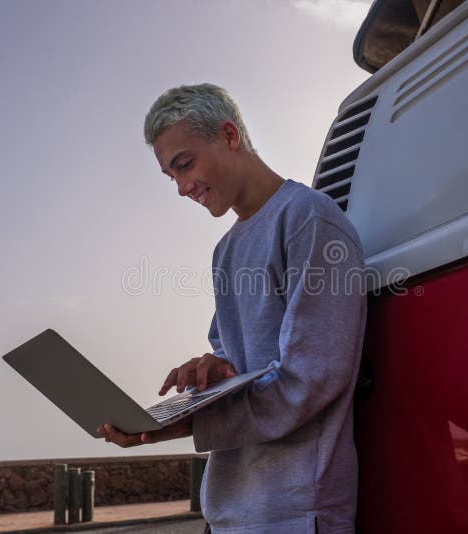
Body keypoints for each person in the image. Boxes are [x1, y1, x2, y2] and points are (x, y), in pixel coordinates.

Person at [97, 83, 367, 534]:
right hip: (227, 511)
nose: (182, 188)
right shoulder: (225, 251)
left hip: (296, 511)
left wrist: (178, 426)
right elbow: (239, 367)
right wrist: (212, 373)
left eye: (185, 165)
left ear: (228, 135)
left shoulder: (309, 219)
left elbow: (309, 381)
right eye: (170, 176)